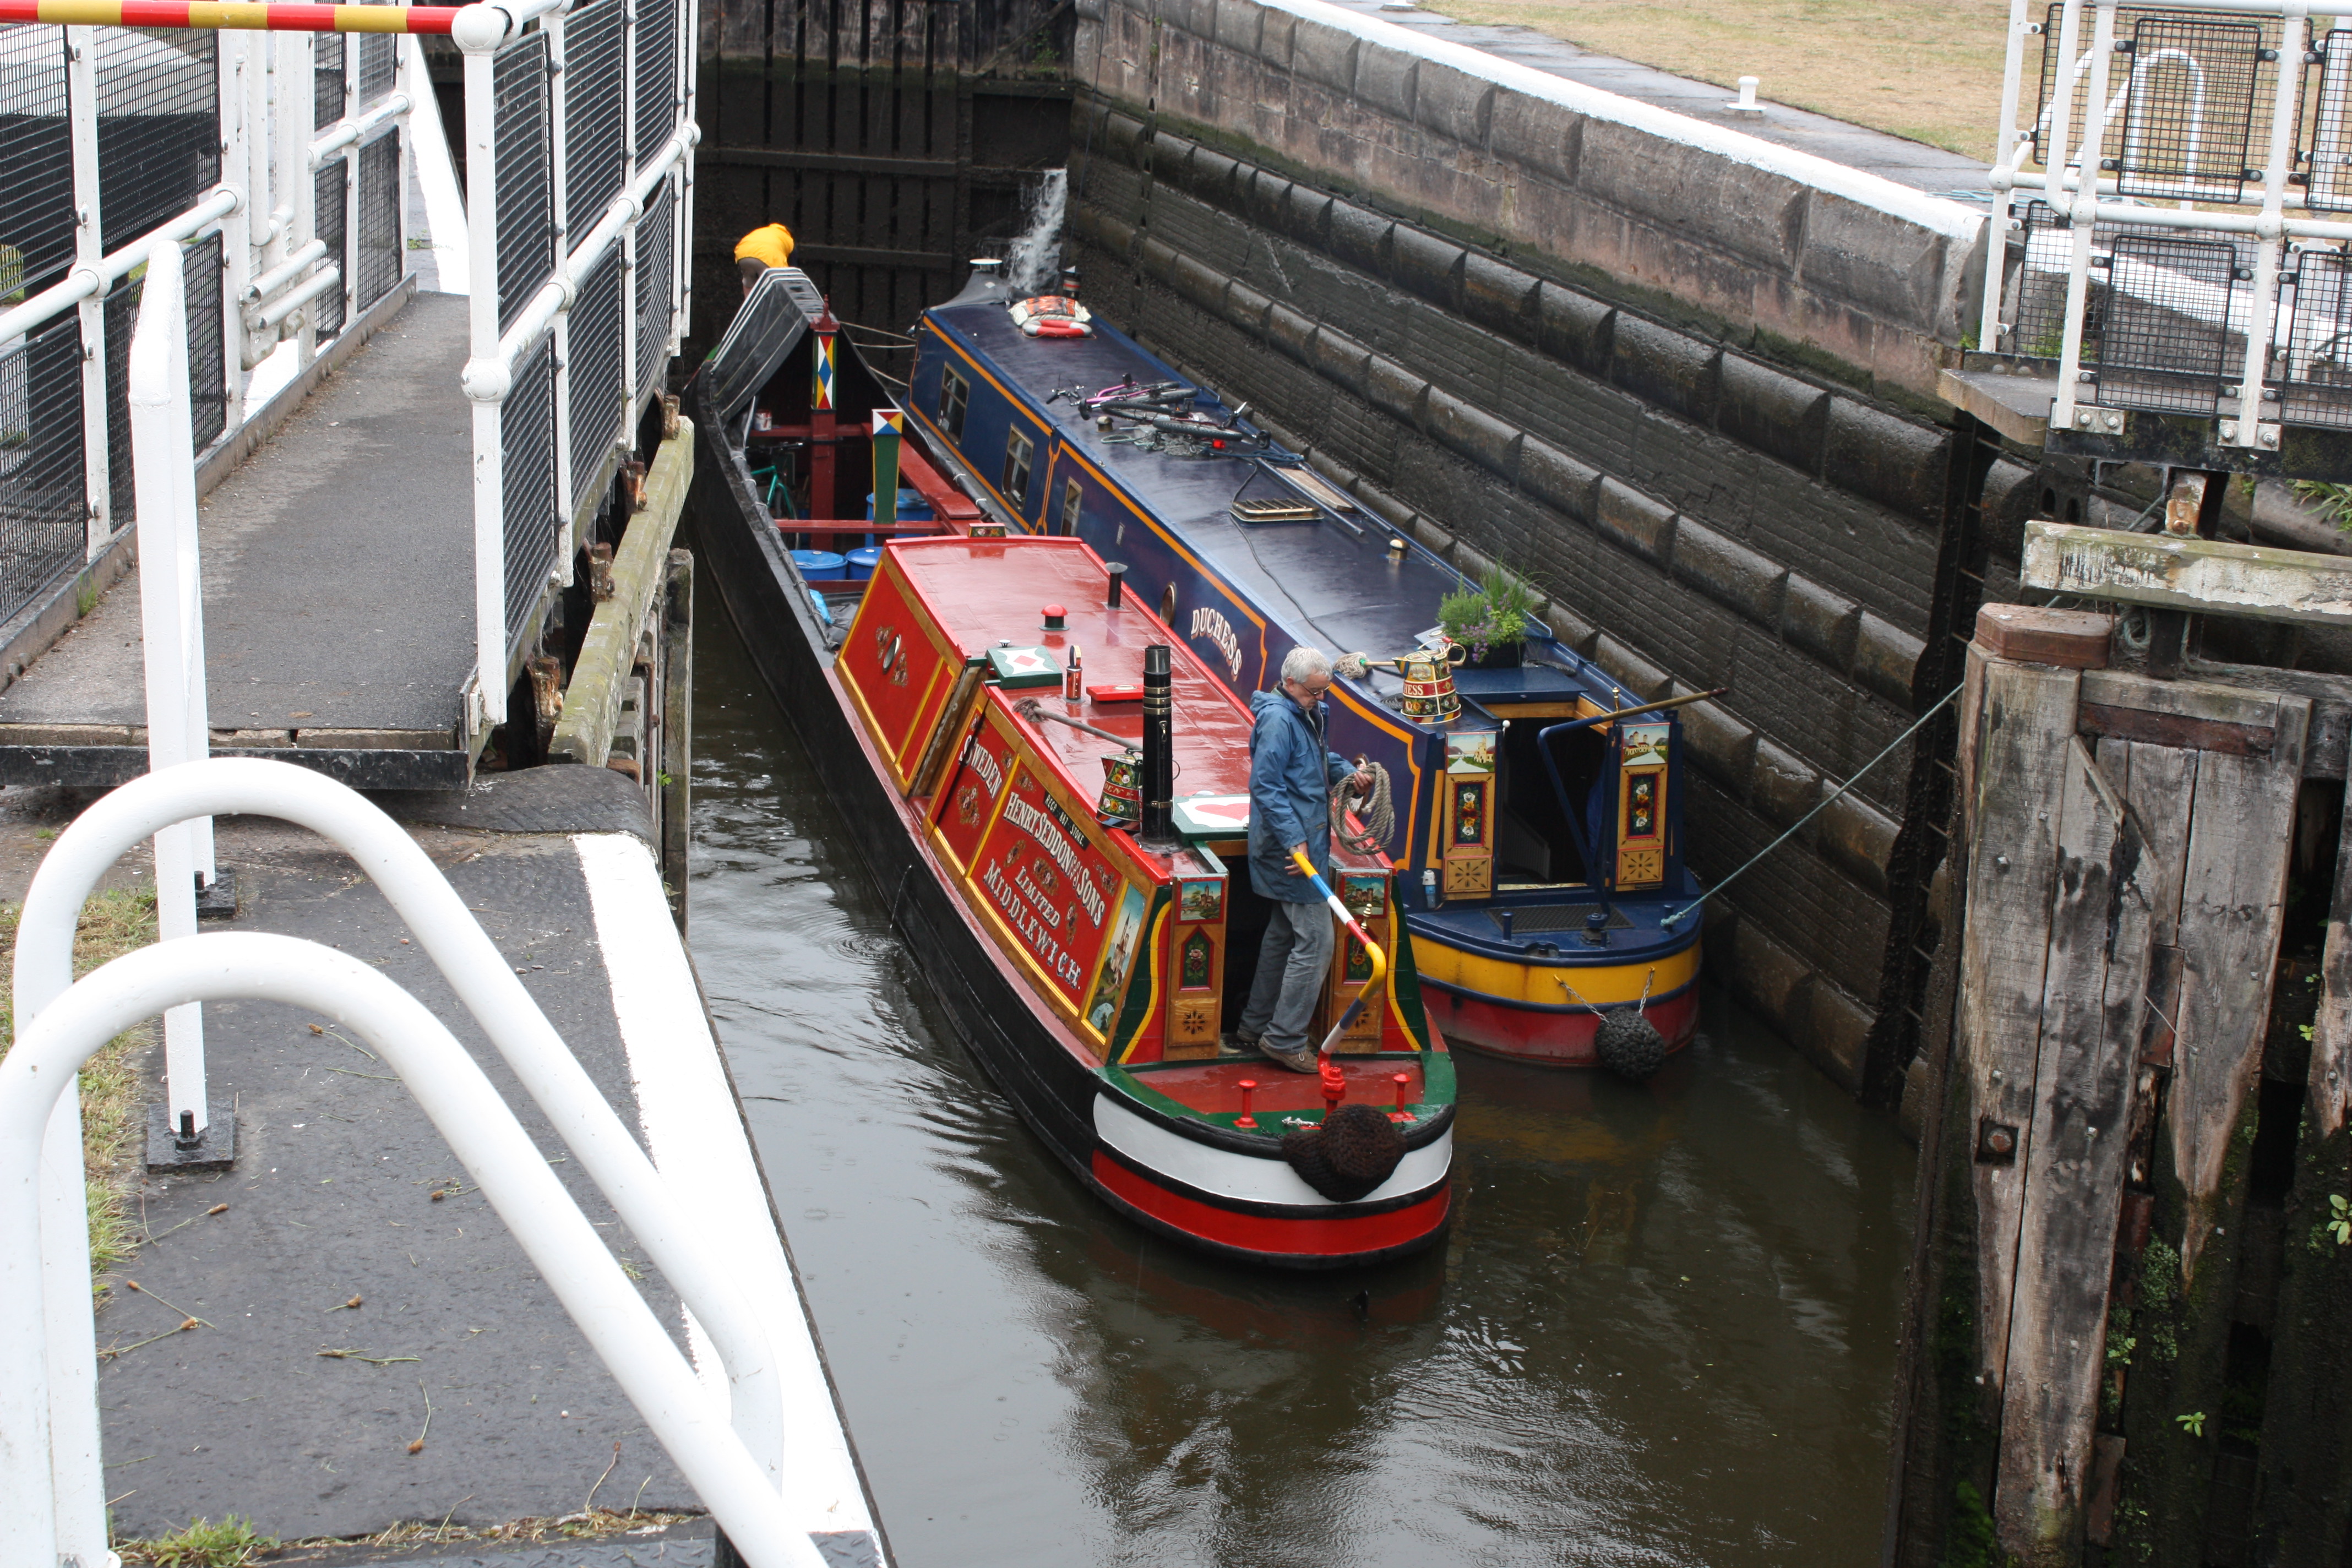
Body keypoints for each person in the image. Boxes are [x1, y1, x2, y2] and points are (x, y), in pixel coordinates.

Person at [1235, 646, 1373, 1074]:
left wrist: (1347, 774)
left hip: (1302, 845)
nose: (1322, 699)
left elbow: (1314, 760)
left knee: (1282, 935)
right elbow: (1267, 786)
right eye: (1315, 692)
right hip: (1291, 851)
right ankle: (1284, 1038)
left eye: (1326, 691)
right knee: (1316, 942)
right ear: (1290, 683)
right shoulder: (1278, 720)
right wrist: (1295, 842)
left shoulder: (1307, 712)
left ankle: (1253, 1027)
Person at [734, 222, 795, 295]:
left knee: (748, 279)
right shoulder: (788, 239)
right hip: (766, 255)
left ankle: (749, 303)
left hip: (743, 252)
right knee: (777, 284)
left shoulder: (765, 231)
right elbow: (793, 269)